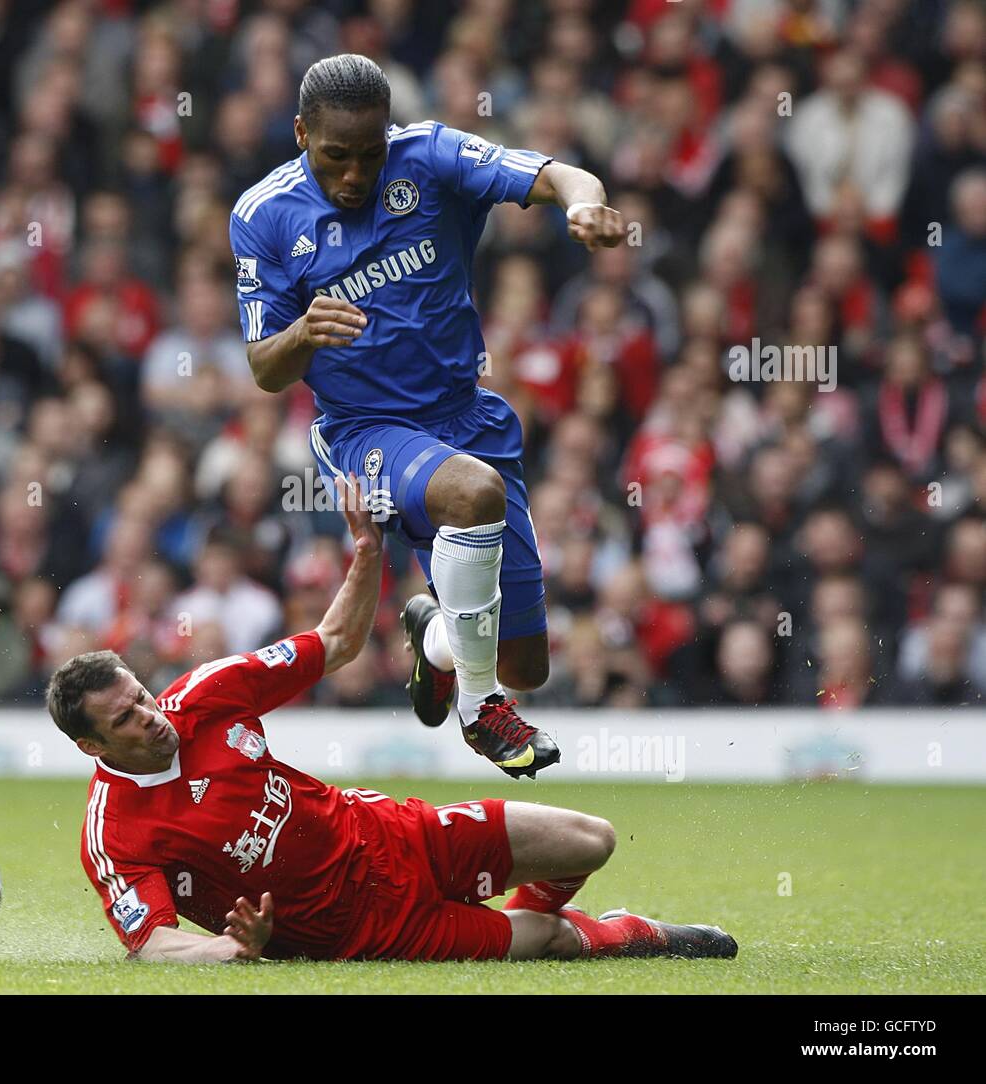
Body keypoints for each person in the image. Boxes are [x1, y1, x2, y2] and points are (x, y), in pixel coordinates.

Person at [46, 478, 736, 963]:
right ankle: (619, 934)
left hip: (392, 836)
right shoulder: (114, 830)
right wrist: (227, 948)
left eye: (140, 695)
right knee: (551, 945)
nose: (150, 715)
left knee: (592, 840)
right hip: (366, 932)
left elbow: (336, 644)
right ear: (90, 745)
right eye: (126, 719)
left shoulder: (205, 693)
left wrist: (368, 551)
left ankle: (546, 917)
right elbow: (151, 944)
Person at [228, 53, 625, 777]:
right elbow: (264, 369)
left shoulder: (434, 158)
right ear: (299, 134)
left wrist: (582, 204)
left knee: (525, 661)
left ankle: (439, 639)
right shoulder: (263, 216)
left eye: (369, 156)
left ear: (391, 135)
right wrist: (303, 332)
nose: (354, 176)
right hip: (363, 430)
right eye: (335, 157)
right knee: (474, 495)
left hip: (466, 416)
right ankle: (481, 712)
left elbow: (555, 174)